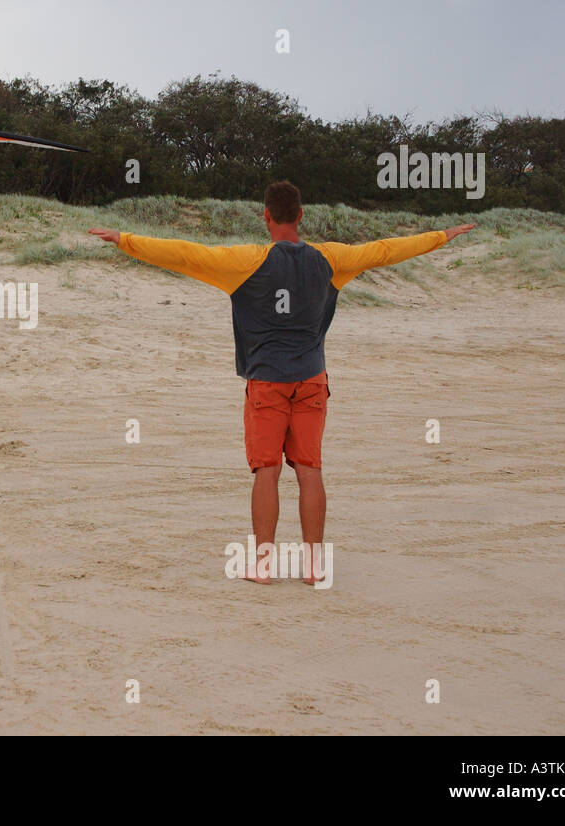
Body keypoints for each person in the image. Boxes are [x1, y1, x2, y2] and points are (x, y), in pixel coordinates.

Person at [88, 181, 475, 585]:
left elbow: (185, 253)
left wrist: (124, 240)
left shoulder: (245, 262)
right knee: (310, 470)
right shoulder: (331, 258)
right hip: (311, 379)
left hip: (266, 385)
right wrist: (441, 237)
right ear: (301, 216)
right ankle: (313, 567)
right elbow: (385, 250)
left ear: (266, 217)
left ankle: (262, 565)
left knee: (267, 472)